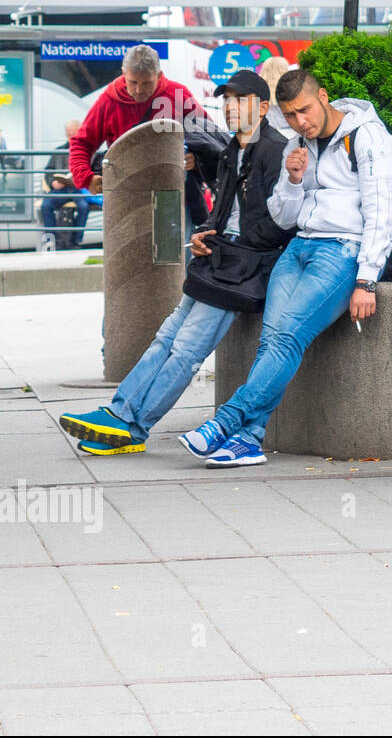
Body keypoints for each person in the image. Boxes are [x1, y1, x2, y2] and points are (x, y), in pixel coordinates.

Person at [57, 71, 295, 455]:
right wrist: (205, 232)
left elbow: (279, 222)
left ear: (263, 107)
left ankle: (135, 426)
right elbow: (222, 210)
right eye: (227, 101)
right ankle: (119, 411)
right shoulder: (231, 150)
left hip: (244, 268)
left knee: (186, 349)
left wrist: (231, 243)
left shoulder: (276, 150)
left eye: (240, 101)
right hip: (218, 257)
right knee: (166, 336)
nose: (231, 108)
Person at [178, 69, 392, 468]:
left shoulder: (367, 137)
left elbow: (382, 210)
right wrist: (294, 180)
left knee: (285, 338)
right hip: (299, 247)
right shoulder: (297, 144)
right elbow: (282, 216)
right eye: (291, 115)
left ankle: (223, 423)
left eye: (305, 110)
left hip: (341, 251)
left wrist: (367, 278)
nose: (300, 122)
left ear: (323, 96)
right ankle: (249, 440)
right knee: (271, 342)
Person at [68, 44, 226, 229]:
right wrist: (86, 178)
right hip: (127, 197)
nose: (138, 90)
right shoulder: (108, 101)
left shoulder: (178, 94)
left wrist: (196, 159)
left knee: (175, 246)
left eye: (146, 83)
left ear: (158, 76)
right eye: (133, 82)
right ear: (123, 73)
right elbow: (82, 143)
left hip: (174, 198)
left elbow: (209, 137)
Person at [39, 120, 92, 250]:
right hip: (60, 190)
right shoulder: (58, 151)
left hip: (78, 189)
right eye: (69, 135)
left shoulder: (87, 150)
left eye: (74, 134)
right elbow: (48, 170)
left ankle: (76, 241)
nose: (71, 138)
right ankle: (51, 240)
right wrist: (53, 182)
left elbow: (92, 171)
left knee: (84, 207)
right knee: (46, 205)